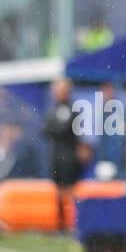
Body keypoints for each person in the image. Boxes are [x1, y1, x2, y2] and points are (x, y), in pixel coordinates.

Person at [43, 79, 88, 231]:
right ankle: (61, 223)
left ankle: (74, 222)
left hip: (68, 155)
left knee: (69, 190)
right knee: (58, 189)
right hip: (57, 154)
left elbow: (67, 129)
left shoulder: (72, 109)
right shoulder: (53, 109)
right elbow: (47, 130)